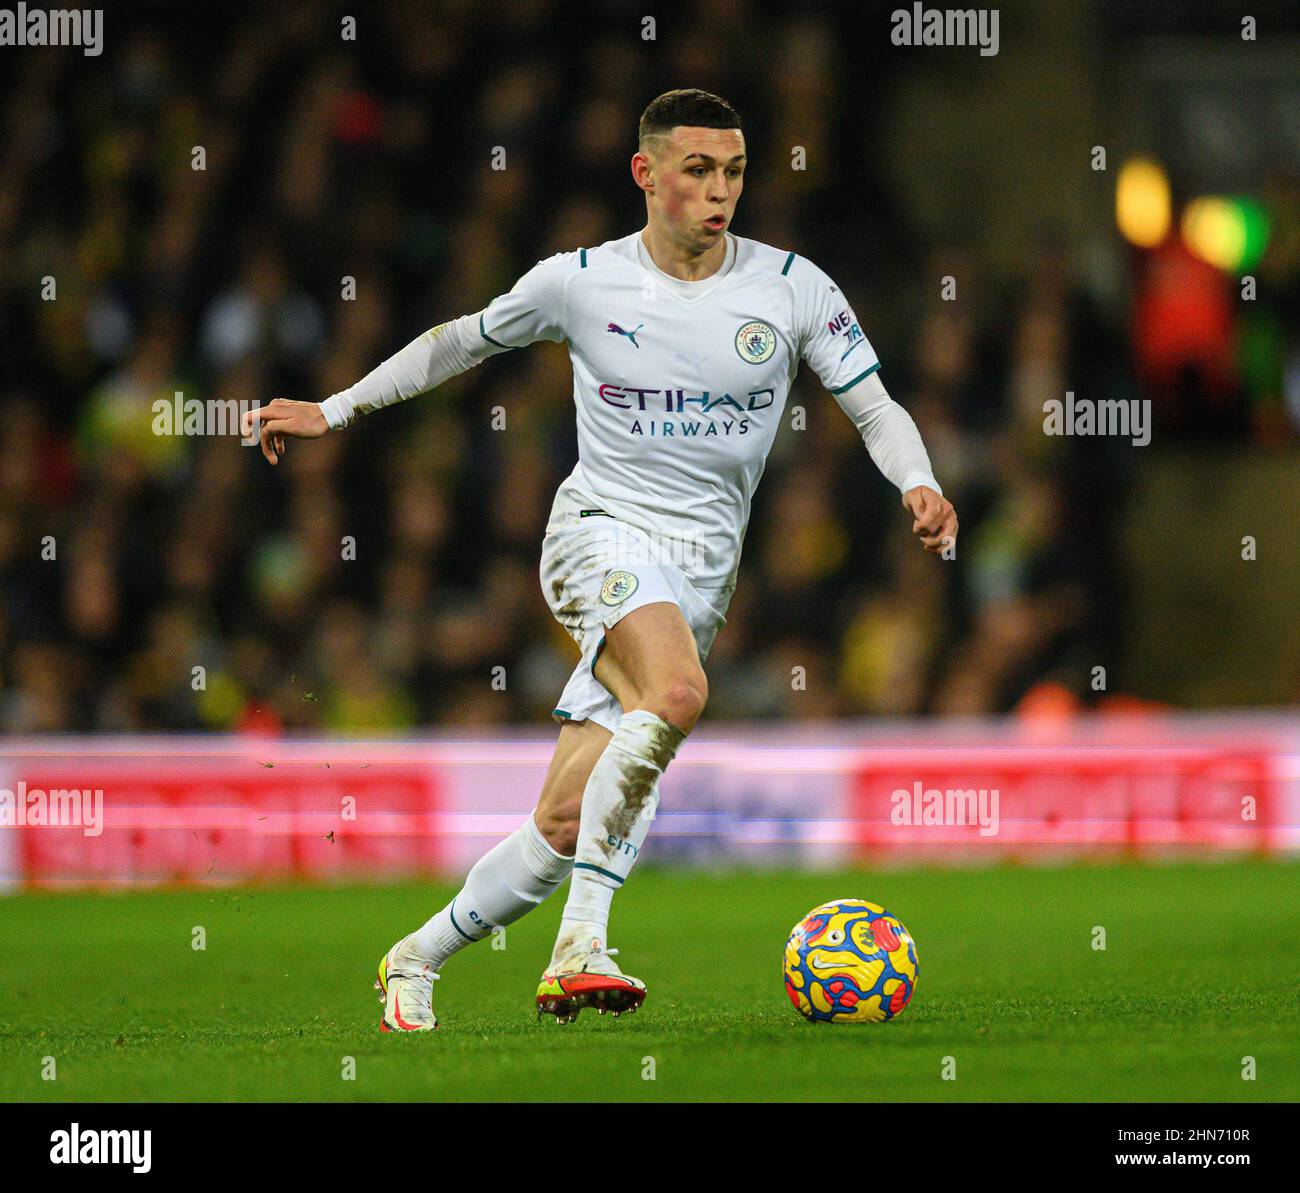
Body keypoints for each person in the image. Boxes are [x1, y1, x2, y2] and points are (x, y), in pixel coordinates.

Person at [245, 88, 957, 1031]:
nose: (719, 191)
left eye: (734, 170)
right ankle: (581, 948)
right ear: (646, 173)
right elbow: (457, 342)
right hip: (597, 535)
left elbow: (873, 405)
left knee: (563, 825)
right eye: (697, 169)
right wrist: (333, 410)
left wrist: (917, 479)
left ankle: (415, 957)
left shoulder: (793, 287)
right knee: (676, 694)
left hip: (700, 576)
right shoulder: (580, 282)